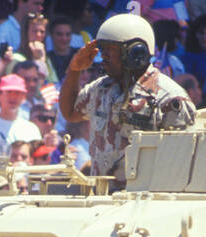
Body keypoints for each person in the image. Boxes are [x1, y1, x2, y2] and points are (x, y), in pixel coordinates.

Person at [59, 12, 196, 182]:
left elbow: (182, 161)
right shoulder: (101, 88)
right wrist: (74, 70)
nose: (104, 56)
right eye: (103, 49)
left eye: (111, 50)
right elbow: (70, 112)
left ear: (136, 53)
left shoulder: (169, 98)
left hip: (142, 199)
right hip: (100, 197)